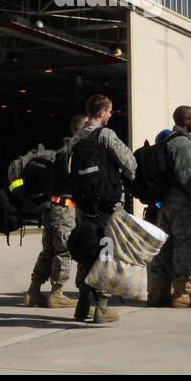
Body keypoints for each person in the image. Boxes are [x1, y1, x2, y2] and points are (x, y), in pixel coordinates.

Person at [68, 94, 136, 324]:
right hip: (107, 205)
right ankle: (102, 308)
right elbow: (130, 165)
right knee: (107, 252)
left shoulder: (76, 139)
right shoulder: (106, 135)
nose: (110, 115)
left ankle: (83, 303)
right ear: (101, 112)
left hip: (83, 206)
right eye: (109, 111)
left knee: (87, 248)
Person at [22, 114, 88, 309]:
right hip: (65, 208)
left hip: (53, 207)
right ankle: (57, 293)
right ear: (80, 130)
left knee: (49, 250)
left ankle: (33, 291)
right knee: (64, 250)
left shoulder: (60, 151)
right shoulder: (72, 152)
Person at [147, 105, 191, 309]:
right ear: (185, 120)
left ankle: (158, 291)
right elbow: (185, 175)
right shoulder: (182, 142)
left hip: (165, 203)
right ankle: (182, 291)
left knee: (164, 246)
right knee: (186, 243)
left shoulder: (166, 140)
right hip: (181, 202)